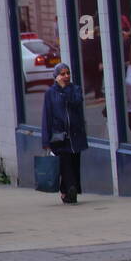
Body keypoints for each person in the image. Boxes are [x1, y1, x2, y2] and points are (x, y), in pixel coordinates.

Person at [41, 62, 87, 204]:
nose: (66, 76)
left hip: (75, 135)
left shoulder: (76, 90)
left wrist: (64, 90)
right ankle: (71, 188)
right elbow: (46, 117)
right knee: (65, 164)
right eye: (62, 74)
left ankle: (67, 191)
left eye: (68, 73)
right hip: (59, 137)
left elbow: (75, 103)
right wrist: (45, 141)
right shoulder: (50, 93)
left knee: (74, 164)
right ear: (56, 76)